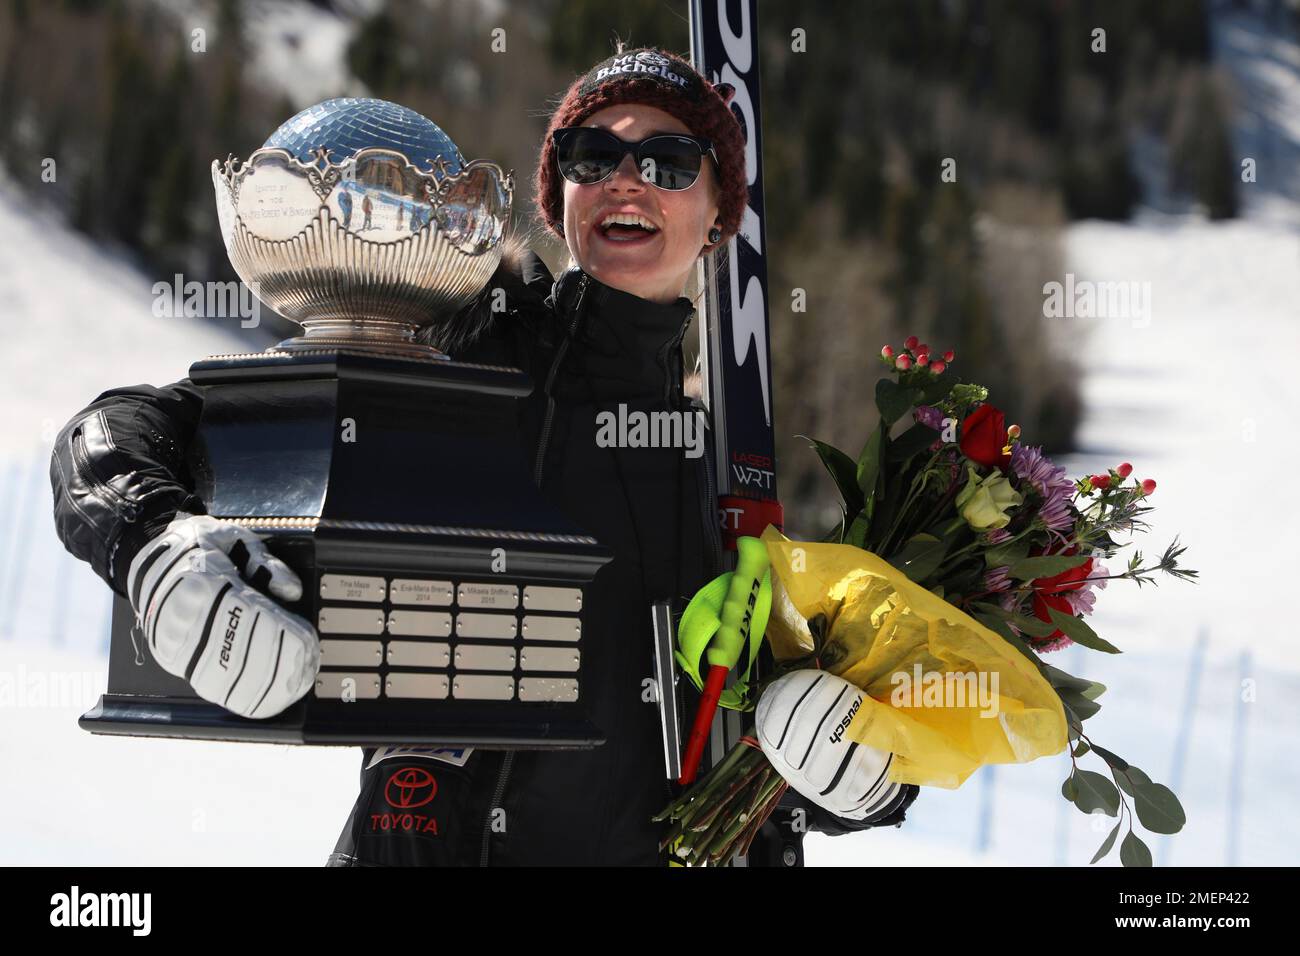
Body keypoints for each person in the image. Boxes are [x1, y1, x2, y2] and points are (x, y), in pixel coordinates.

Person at [48, 45, 917, 867]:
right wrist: (152, 544)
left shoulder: (727, 464)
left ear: (721, 213)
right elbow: (121, 429)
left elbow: (793, 742)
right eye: (590, 156)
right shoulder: (461, 356)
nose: (625, 179)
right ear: (558, 194)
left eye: (669, 161)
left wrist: (863, 774)